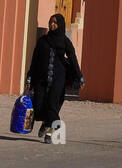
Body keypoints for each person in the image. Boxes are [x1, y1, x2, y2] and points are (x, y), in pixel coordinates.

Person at [27, 13, 82, 143]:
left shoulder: (65, 41)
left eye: (55, 23)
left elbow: (73, 59)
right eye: (51, 22)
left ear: (60, 25)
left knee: (52, 105)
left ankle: (50, 131)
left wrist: (79, 76)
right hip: (41, 79)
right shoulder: (42, 41)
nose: (52, 25)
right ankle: (47, 122)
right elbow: (34, 60)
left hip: (58, 79)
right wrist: (29, 78)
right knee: (39, 106)